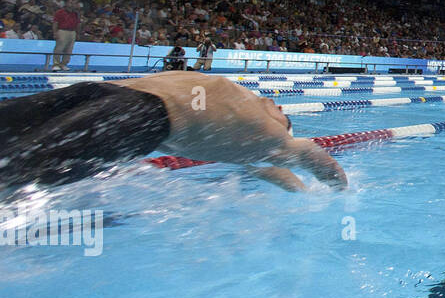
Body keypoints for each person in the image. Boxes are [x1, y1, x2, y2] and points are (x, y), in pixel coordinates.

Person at [0, 71, 347, 192]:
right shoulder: (240, 99)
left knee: (16, 170)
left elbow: (305, 158)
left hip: (139, 117)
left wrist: (338, 193)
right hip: (102, 92)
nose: (278, 104)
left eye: (283, 112)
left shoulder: (271, 138)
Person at [51, 0, 81, 71]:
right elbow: (55, 23)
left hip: (72, 32)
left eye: (73, 3)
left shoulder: (76, 13)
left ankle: (64, 64)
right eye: (70, 3)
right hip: (62, 31)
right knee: (59, 48)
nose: (72, 4)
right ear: (66, 3)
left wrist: (77, 33)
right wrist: (55, 32)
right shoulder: (60, 12)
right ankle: (56, 64)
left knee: (69, 50)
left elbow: (77, 23)